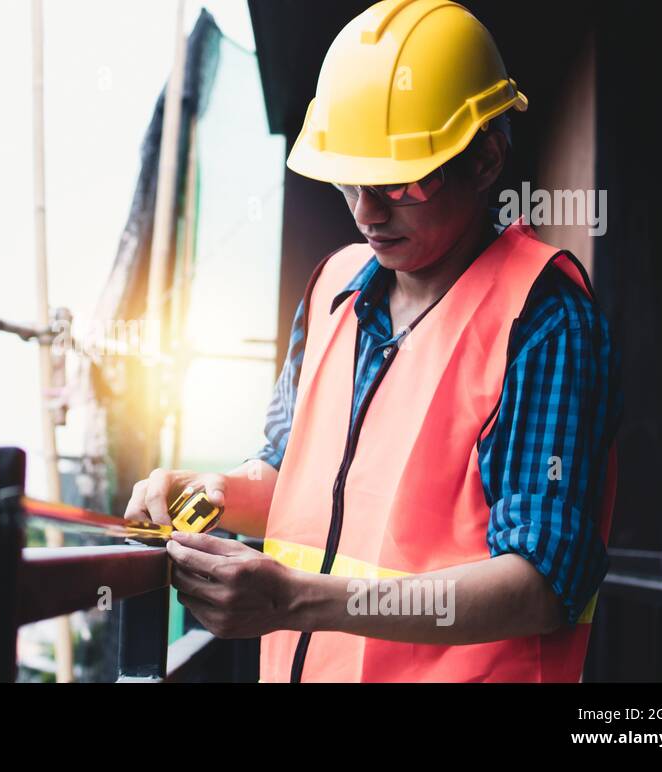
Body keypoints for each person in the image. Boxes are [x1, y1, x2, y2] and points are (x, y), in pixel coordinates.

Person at [123, 0, 621, 682]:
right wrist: (216, 489)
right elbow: (297, 481)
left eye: (402, 181)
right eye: (351, 177)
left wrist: (295, 599)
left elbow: (540, 587)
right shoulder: (333, 289)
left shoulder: (544, 317)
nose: (366, 211)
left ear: (485, 161)